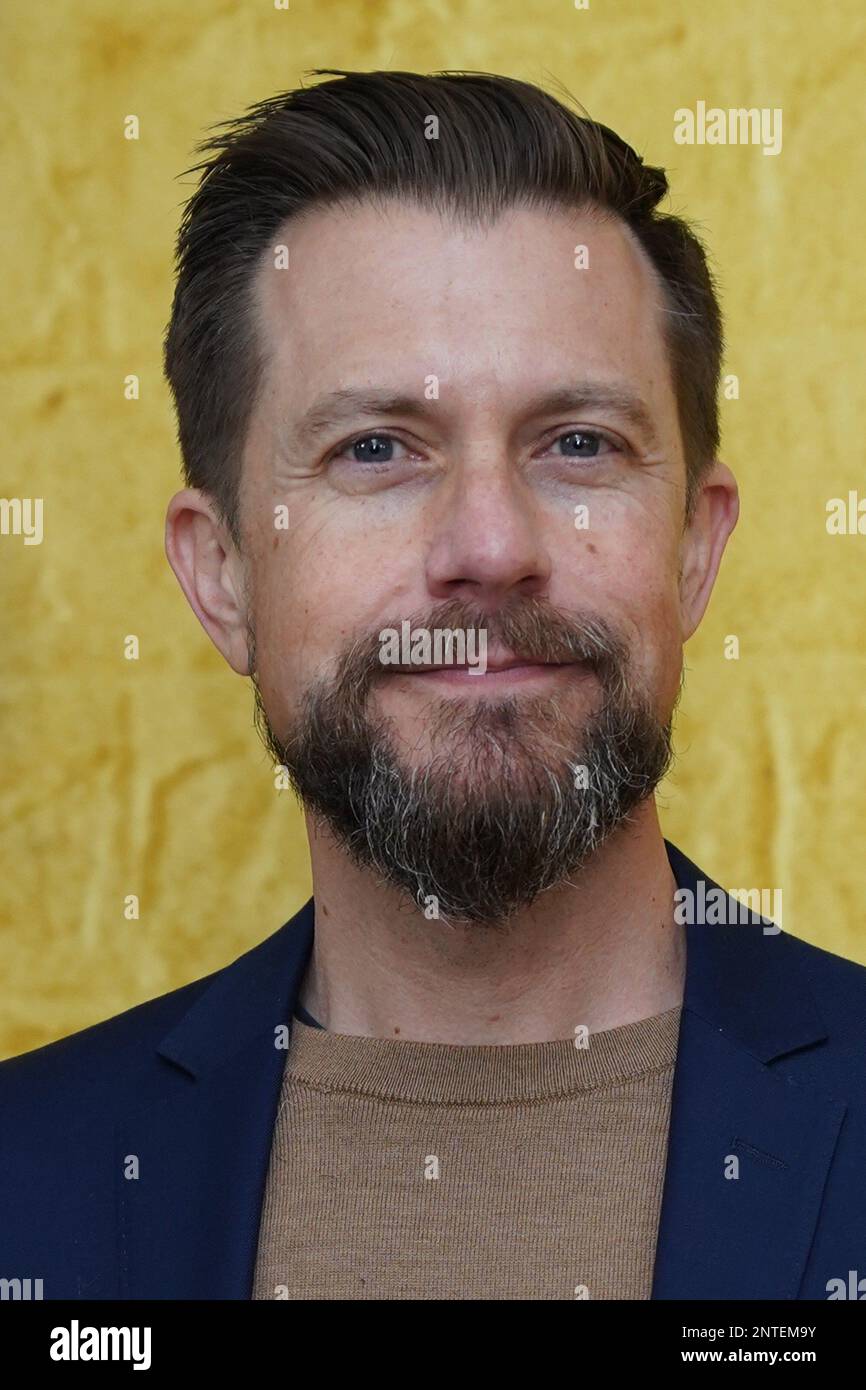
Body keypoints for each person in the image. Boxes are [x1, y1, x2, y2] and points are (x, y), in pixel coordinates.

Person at [1, 69, 864, 1301]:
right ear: (223, 573)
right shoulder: (25, 1185)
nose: (488, 546)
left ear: (692, 546)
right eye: (375, 450)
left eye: (577, 443)